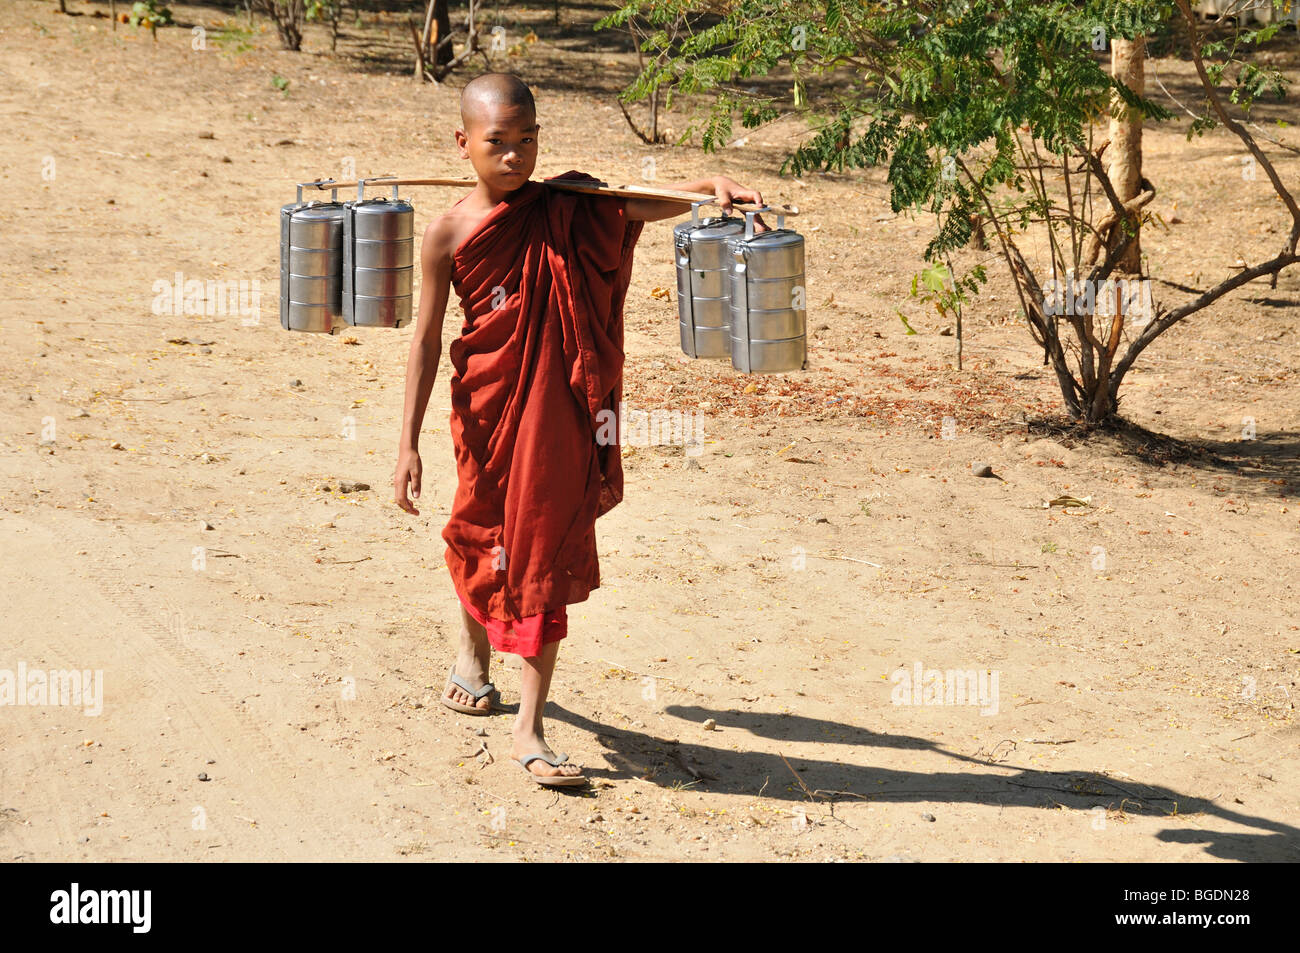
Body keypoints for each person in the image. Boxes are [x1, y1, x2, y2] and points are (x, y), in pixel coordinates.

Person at [393, 72, 766, 787]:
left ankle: (529, 729)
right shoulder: (447, 232)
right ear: (462, 141)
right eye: (496, 143)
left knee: (540, 547)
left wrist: (702, 186)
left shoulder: (566, 204)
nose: (514, 157)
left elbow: (631, 207)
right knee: (479, 532)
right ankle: (473, 656)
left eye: (526, 140)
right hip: (486, 405)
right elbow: (425, 339)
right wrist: (406, 442)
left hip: (555, 414)